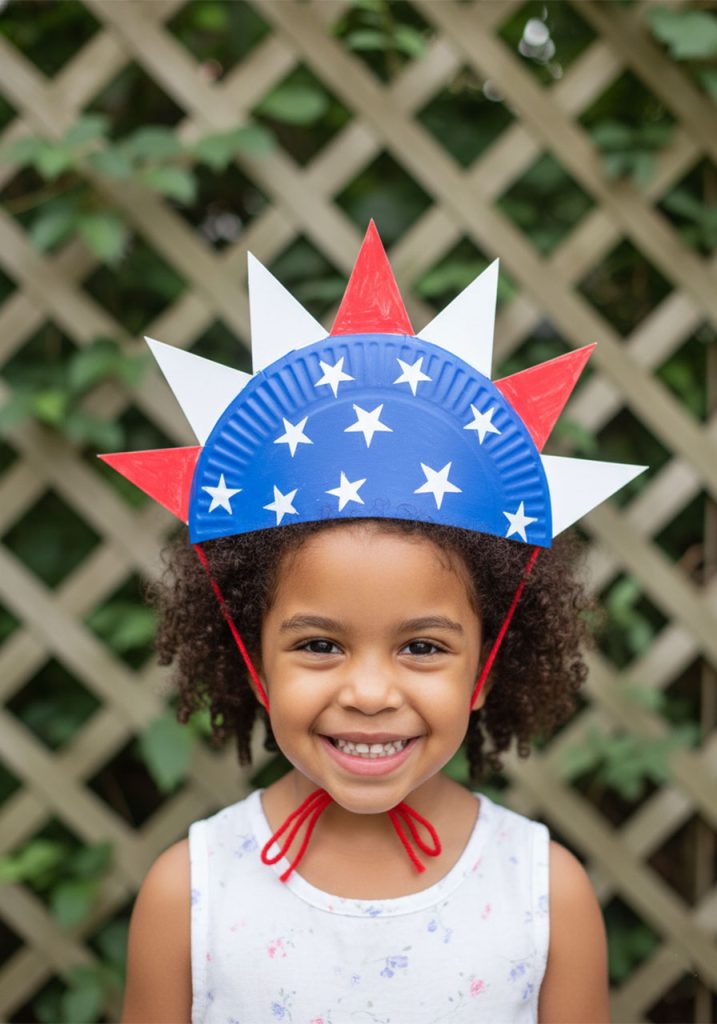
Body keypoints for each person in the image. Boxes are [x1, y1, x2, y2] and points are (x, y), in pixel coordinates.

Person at [110, 223, 641, 1023]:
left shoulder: (543, 898)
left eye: (422, 647)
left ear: (486, 665)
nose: (367, 691)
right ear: (252, 661)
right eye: (319, 645)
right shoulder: (188, 899)